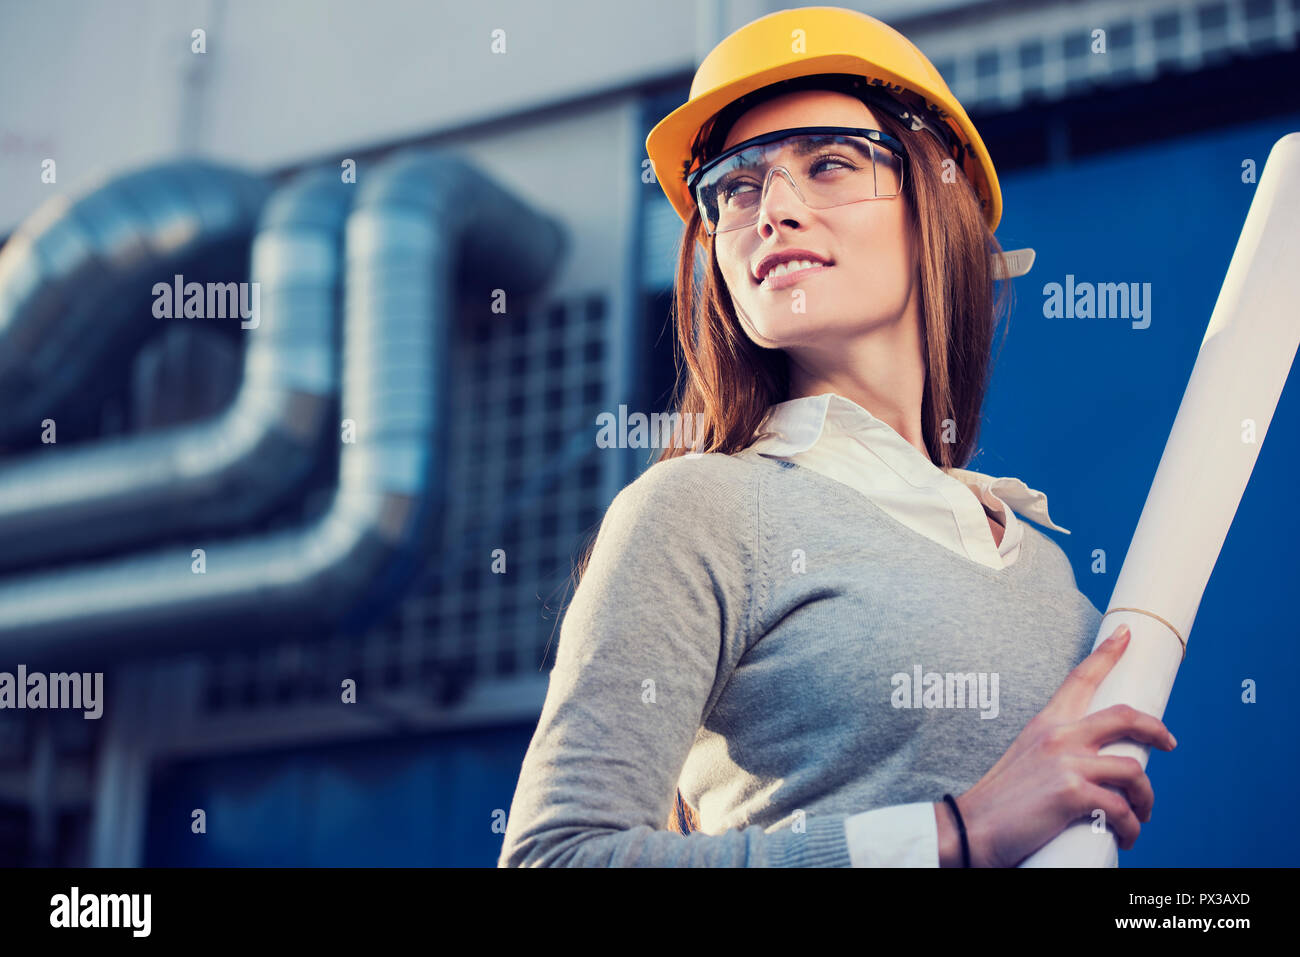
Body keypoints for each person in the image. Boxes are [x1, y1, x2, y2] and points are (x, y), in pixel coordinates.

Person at [498, 7, 1176, 867]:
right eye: (737, 188)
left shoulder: (1047, 566)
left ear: (939, 202)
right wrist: (954, 831)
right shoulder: (699, 510)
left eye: (827, 164)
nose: (771, 211)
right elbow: (554, 857)